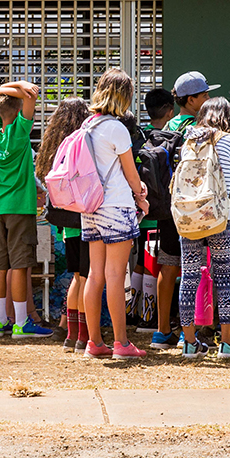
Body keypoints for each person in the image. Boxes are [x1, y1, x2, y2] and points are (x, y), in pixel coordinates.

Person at [79, 69, 151, 360]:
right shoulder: (117, 128)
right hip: (116, 207)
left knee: (95, 275)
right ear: (124, 96)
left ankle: (94, 342)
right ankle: (121, 343)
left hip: (91, 206)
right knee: (115, 275)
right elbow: (132, 176)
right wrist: (141, 196)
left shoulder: (87, 125)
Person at [0, 81, 52, 340]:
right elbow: (31, 95)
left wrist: (9, 87)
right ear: (19, 109)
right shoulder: (21, 131)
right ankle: (21, 323)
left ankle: (0, 321)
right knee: (21, 265)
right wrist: (24, 86)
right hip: (20, 207)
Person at [178, 97, 230, 358]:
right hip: (218, 219)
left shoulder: (188, 141)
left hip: (190, 218)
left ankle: (189, 343)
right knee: (223, 277)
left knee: (189, 277)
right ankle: (226, 344)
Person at [36, 98, 91, 351]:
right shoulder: (82, 143)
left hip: (67, 223)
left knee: (77, 278)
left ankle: (71, 335)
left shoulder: (54, 146)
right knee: (87, 279)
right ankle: (84, 336)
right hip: (87, 219)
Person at [142, 87, 183, 348]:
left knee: (166, 267)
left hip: (159, 210)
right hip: (188, 209)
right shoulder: (183, 128)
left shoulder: (144, 137)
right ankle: (192, 331)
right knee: (195, 268)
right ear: (171, 109)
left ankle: (161, 329)